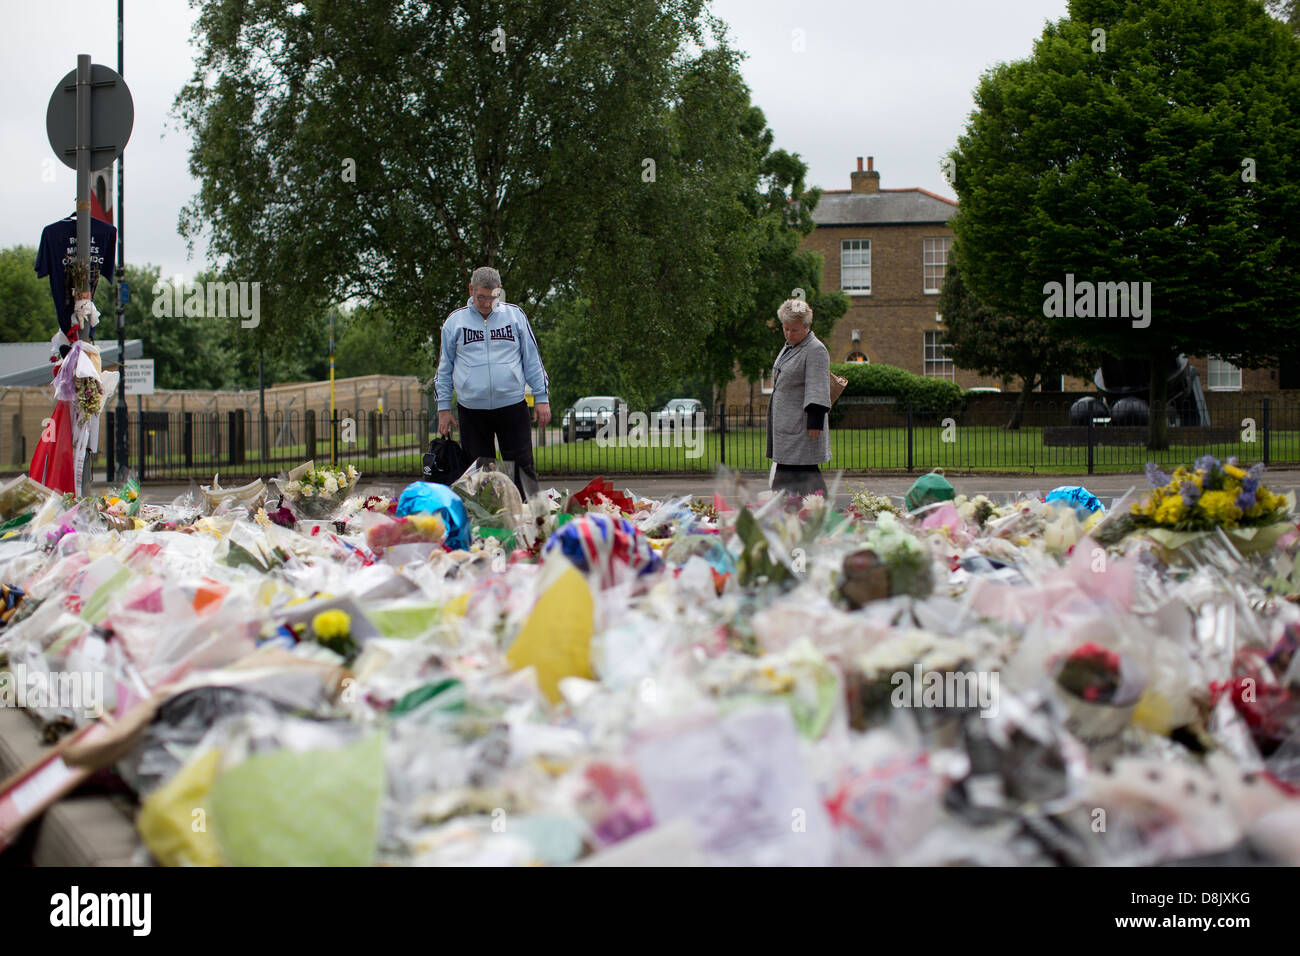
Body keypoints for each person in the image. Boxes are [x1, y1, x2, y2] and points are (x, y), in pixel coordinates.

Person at [435, 267, 551, 498]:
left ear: (500, 292)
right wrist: (443, 408)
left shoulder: (515, 316)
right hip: (472, 410)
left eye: (493, 297)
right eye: (481, 297)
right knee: (478, 473)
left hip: (512, 405)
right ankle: (483, 526)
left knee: (521, 468)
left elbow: (532, 359)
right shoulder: (454, 322)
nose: (487, 303)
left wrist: (541, 397)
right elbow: (444, 368)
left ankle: (530, 523)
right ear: (471, 290)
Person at [766, 298, 831, 496]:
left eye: (794, 330)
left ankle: (812, 512)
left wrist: (815, 420)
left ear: (806, 326)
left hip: (802, 427)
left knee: (801, 473)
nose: (789, 334)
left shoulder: (815, 349)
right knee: (794, 474)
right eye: (786, 328)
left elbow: (818, 385)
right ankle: (802, 512)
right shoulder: (790, 347)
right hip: (788, 426)